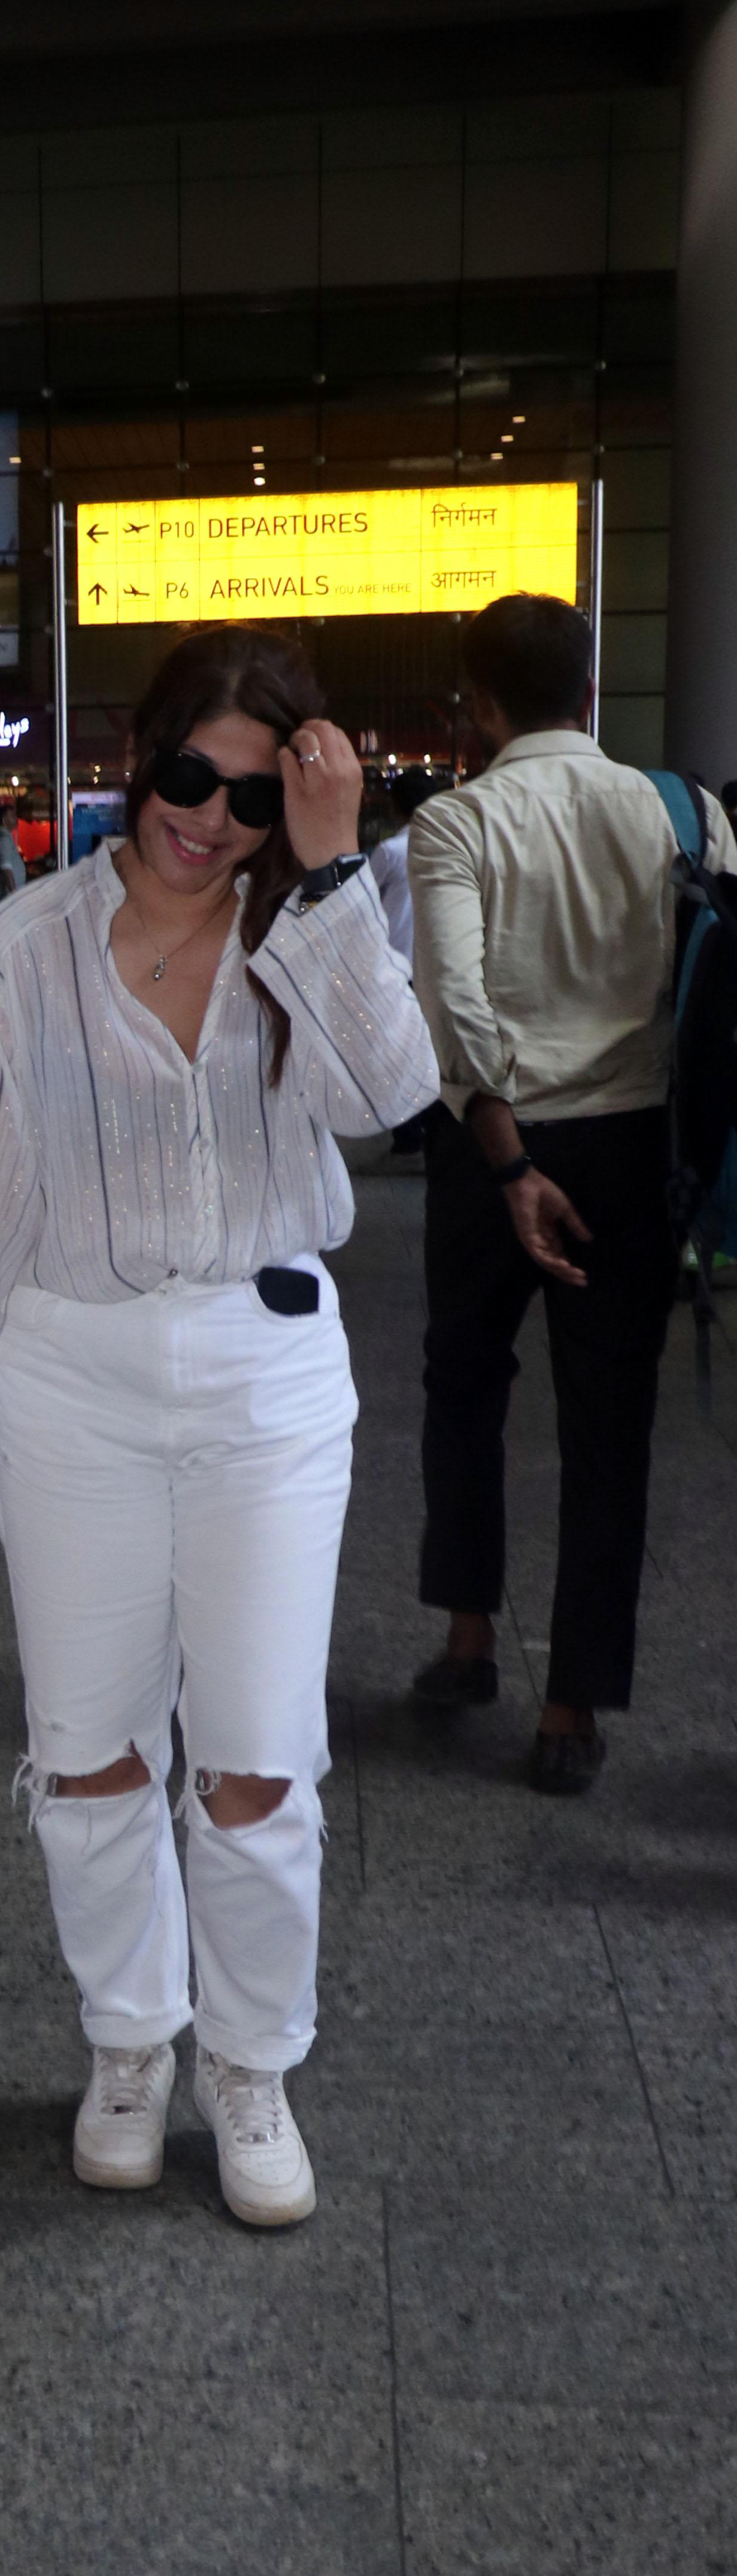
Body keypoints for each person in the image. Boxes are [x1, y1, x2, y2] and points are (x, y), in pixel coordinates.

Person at [0, 625, 438, 2232]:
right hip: (69, 1378)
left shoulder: (312, 925)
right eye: (189, 775)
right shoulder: (25, 948)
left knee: (259, 1754)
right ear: (143, 755)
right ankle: (130, 2041)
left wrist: (331, 884)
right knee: (91, 1749)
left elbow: (388, 1095)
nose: (209, 819)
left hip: (263, 1379)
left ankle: (250, 2064)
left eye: (253, 800)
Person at [408, 592, 737, 1794]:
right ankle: (568, 1710)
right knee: (608, 1431)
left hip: (487, 1151)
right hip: (631, 1150)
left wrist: (504, 1165)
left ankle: (465, 1642)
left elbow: (451, 996)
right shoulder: (685, 812)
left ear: (479, 705)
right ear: (588, 695)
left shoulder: (457, 822)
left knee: (462, 1387)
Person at [366, 766, 447, 1162]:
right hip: (441, 966)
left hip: (397, 967)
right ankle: (435, 1128)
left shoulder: (391, 852)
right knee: (434, 1052)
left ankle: (408, 1131)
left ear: (396, 807)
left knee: (397, 1053)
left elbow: (361, 897)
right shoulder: (450, 845)